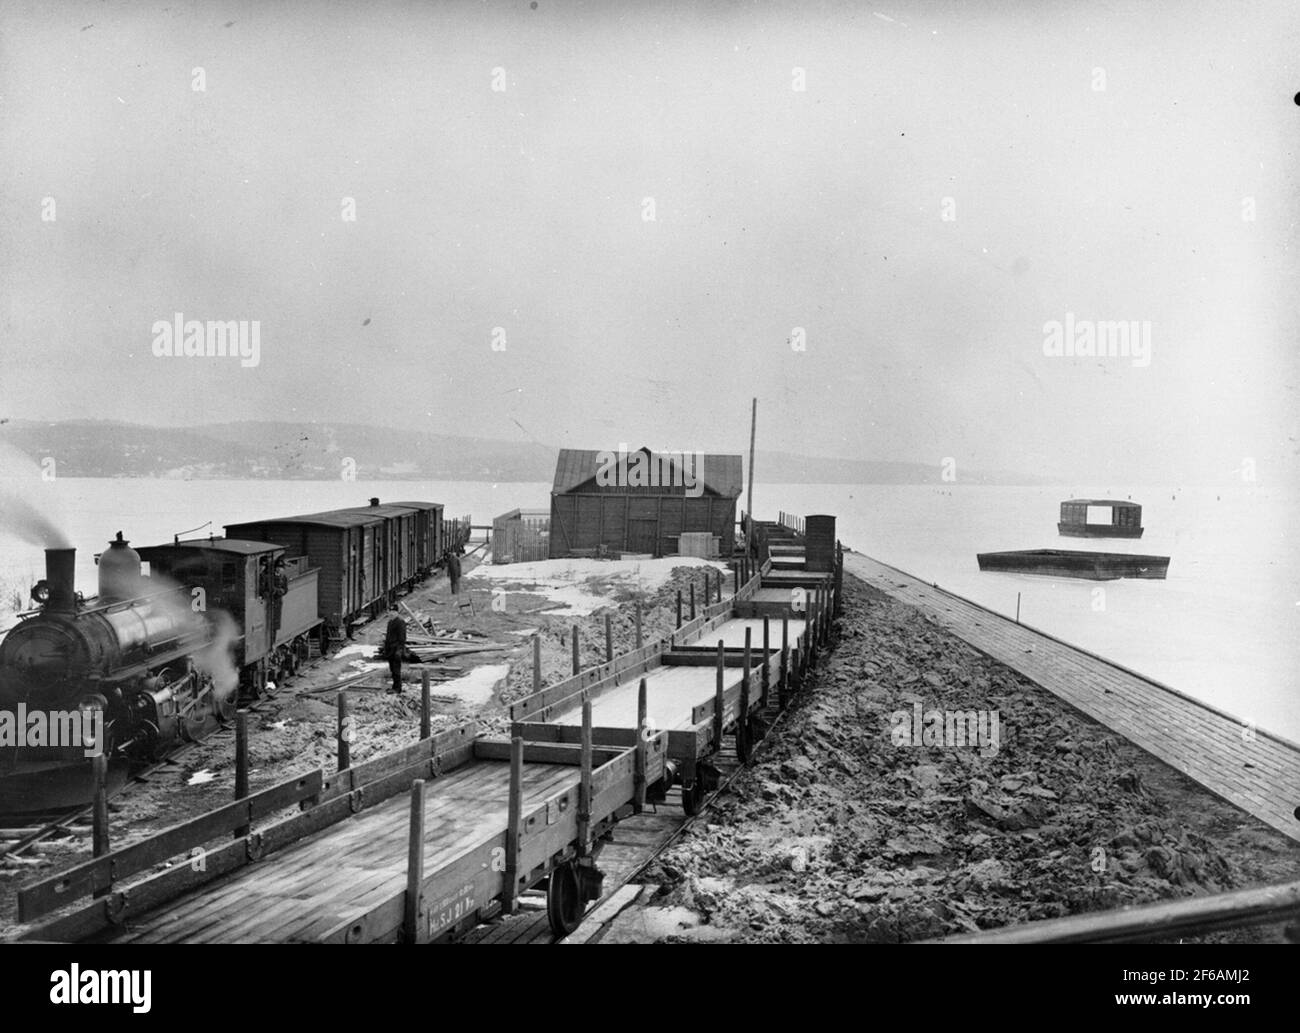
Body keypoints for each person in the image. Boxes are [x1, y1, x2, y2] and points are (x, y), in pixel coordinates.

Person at [384, 604, 406, 694]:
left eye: (393, 612)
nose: (391, 613)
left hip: (396, 650)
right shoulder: (390, 622)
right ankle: (394, 686)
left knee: (396, 670)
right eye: (390, 611)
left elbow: (402, 638)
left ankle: (398, 688)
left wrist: (399, 650)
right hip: (390, 650)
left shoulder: (400, 622)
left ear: (397, 612)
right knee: (392, 669)